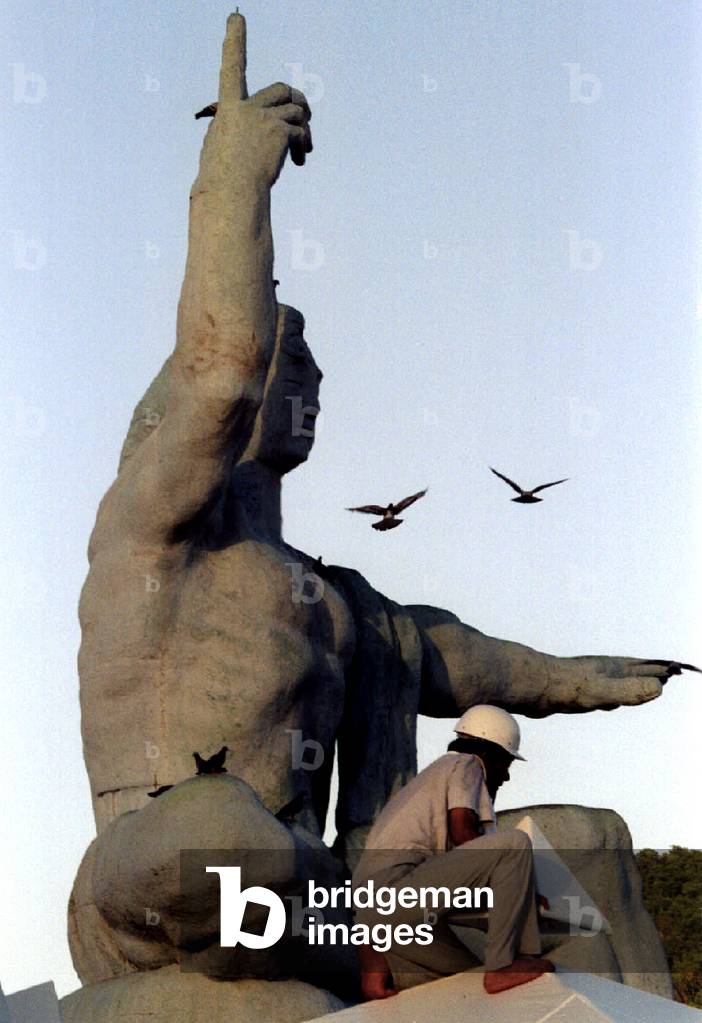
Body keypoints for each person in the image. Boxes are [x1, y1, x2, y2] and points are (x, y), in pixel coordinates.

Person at [352, 704, 555, 998]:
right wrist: (522, 889)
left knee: (466, 985)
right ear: (489, 753)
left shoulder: (423, 785)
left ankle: (382, 959)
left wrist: (519, 892)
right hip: (398, 895)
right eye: (505, 765)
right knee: (514, 844)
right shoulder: (468, 764)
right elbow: (463, 831)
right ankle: (505, 965)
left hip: (375, 922)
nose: (506, 777)